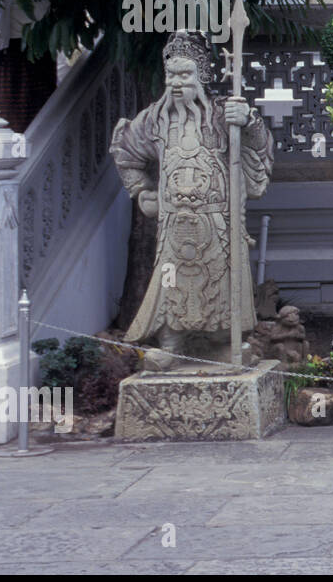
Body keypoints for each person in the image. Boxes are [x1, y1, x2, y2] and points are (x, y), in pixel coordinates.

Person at [109, 31, 274, 369]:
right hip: (172, 225)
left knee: (220, 283)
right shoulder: (155, 119)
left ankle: (223, 345)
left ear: (202, 76)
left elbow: (258, 148)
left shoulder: (219, 114)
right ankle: (171, 345)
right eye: (171, 75)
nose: (177, 83)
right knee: (171, 282)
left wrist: (248, 122)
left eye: (185, 75)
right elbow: (125, 150)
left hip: (217, 223)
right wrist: (142, 190)